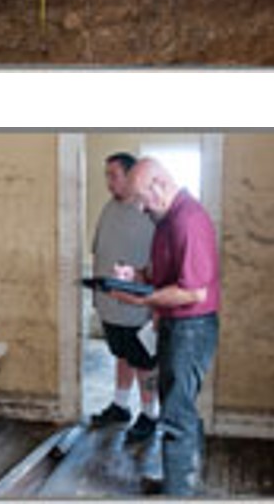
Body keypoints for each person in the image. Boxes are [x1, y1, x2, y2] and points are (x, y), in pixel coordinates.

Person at [111, 158, 220, 496]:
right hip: (178, 326)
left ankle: (177, 493)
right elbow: (163, 274)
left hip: (191, 329)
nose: (141, 208)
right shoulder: (166, 219)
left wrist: (141, 300)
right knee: (178, 407)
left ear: (158, 184)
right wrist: (135, 276)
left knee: (175, 415)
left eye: (142, 199)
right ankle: (180, 482)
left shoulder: (189, 220)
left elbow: (194, 291)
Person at [91, 153, 159, 444]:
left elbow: (160, 262)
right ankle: (120, 406)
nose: (108, 182)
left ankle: (150, 414)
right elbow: (99, 250)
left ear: (131, 177)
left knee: (144, 362)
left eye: (113, 176)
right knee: (122, 355)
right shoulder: (109, 208)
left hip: (140, 306)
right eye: (106, 176)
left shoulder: (148, 211)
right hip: (111, 303)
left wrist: (156, 304)